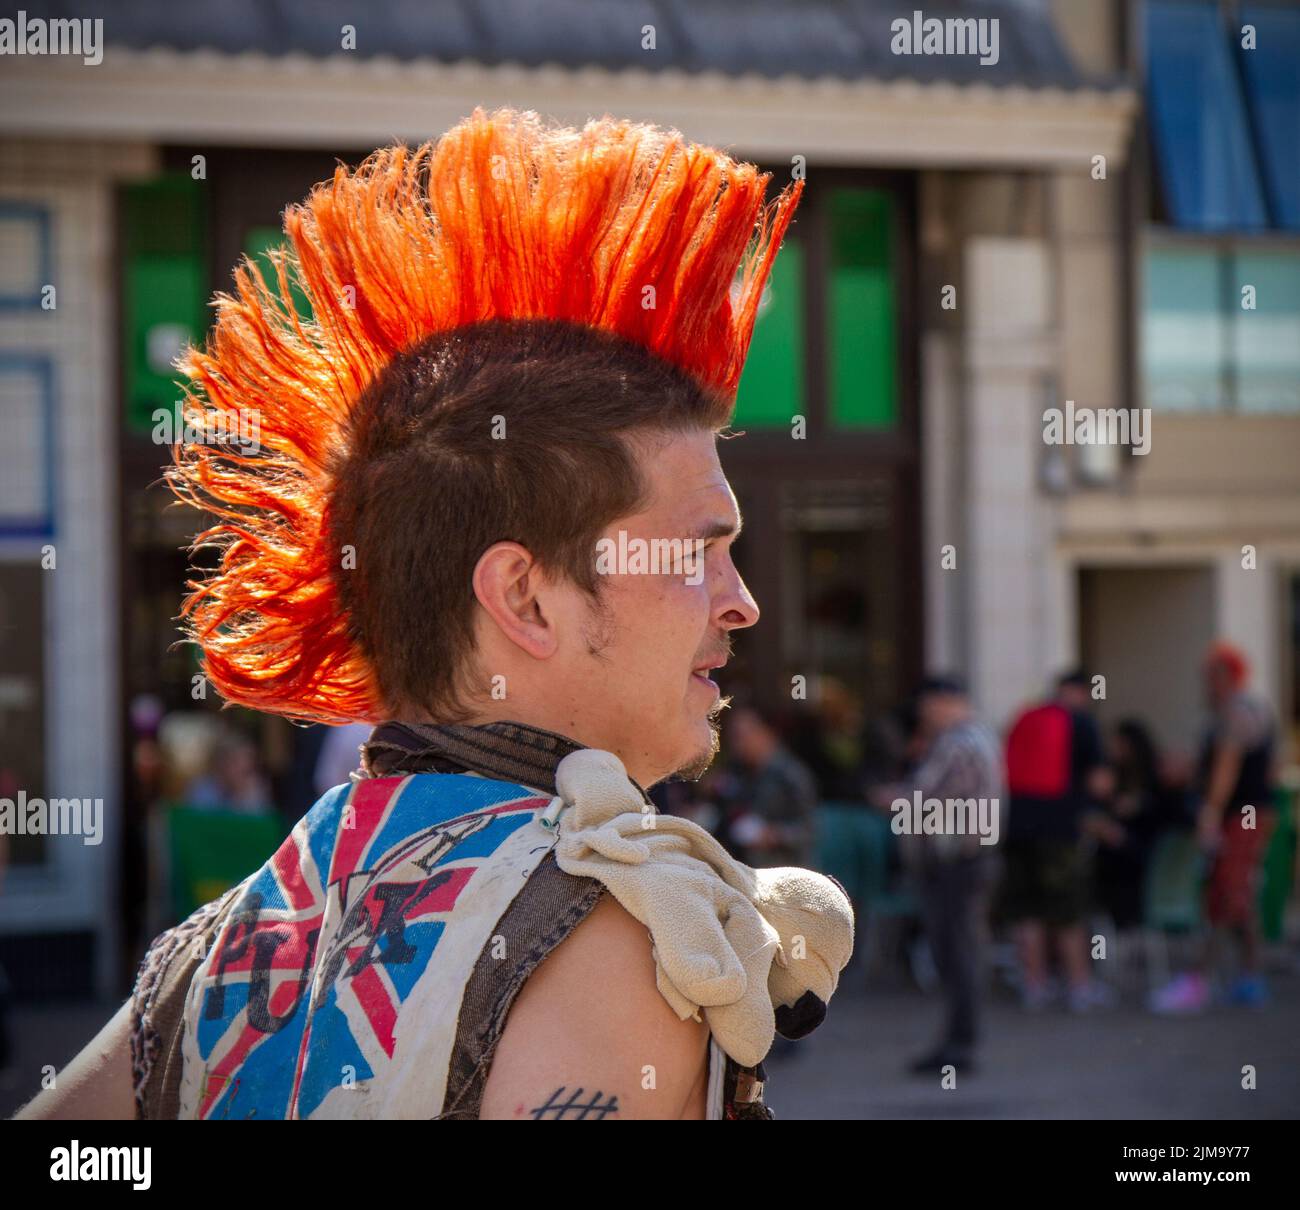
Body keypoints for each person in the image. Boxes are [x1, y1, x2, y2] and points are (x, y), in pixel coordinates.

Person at [16, 109, 853, 1122]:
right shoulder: (625, 944)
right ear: (523, 596)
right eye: (695, 551)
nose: (743, 600)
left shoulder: (209, 962)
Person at [874, 676, 1003, 1075]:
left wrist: (887, 797)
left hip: (957, 862)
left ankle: (959, 1045)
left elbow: (922, 799)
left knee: (957, 952)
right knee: (957, 951)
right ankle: (957, 1041)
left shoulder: (959, 742)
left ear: (943, 703)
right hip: (966, 859)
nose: (925, 717)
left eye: (928, 708)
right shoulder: (977, 737)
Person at [1151, 642, 1278, 1013]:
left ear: (1224, 677)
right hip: (1250, 812)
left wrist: (1210, 812)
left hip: (1242, 815)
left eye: (1209, 678)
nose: (1204, 686)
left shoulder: (1237, 711)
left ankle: (1200, 978)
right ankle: (1249, 976)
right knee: (1238, 895)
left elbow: (1227, 766)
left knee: (1227, 892)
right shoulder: (1244, 710)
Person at [999, 670, 1114, 1013]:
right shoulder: (1082, 723)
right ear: (1082, 692)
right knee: (1067, 909)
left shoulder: (1025, 717)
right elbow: (1100, 783)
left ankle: (1034, 985)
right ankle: (1080, 986)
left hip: (1017, 826)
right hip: (1060, 829)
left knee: (1027, 910)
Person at [720, 706, 818, 868]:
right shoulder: (739, 772)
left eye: (742, 736)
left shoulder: (791, 775)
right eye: (733, 738)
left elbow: (808, 831)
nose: (737, 745)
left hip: (785, 868)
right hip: (742, 867)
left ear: (766, 733)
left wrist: (773, 835)